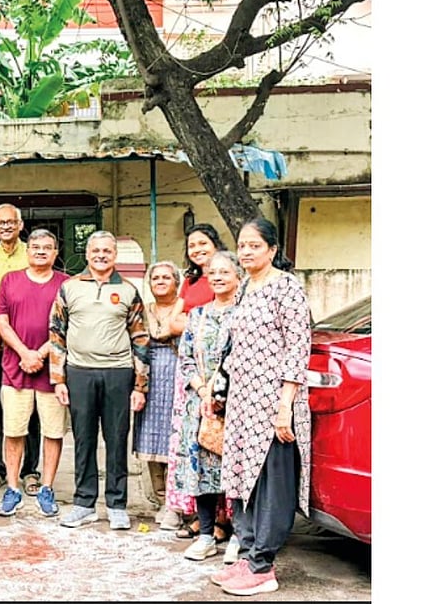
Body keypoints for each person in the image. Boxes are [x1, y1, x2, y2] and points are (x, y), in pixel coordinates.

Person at [209, 218, 313, 597]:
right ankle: (248, 552)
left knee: (270, 483)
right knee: (240, 478)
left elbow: (298, 349)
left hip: (273, 402)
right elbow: (233, 347)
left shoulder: (287, 287)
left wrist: (285, 407)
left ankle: (263, 566)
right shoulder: (244, 288)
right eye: (242, 245)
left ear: (272, 249)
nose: (247, 251)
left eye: (255, 245)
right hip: (242, 403)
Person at [49, 230, 152, 531]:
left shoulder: (129, 291)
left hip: (118, 372)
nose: (101, 255)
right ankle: (84, 504)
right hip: (79, 371)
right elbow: (56, 333)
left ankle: (117, 505)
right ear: (87, 253)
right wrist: (58, 379)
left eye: (107, 251)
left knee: (117, 439)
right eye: (96, 250)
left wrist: (140, 385)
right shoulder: (70, 288)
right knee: (83, 439)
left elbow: (140, 338)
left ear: (115, 255)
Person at [0, 229, 71, 518]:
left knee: (53, 431)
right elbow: (2, 322)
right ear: (27, 251)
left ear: (55, 253)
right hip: (15, 369)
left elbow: (68, 325)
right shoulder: (10, 280)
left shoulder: (66, 284)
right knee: (13, 431)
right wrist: (25, 353)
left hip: (53, 373)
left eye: (47, 247)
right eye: (35, 247)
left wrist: (40, 353)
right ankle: (13, 488)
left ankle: (47, 488)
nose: (40, 251)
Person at [172, 250, 241, 562]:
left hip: (237, 403)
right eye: (213, 272)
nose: (217, 277)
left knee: (237, 469)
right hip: (200, 406)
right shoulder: (197, 315)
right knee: (202, 469)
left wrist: (221, 392)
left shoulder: (245, 314)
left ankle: (240, 535)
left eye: (224, 272)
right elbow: (185, 358)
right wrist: (202, 391)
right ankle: (206, 536)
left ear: (238, 275)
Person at [161, 223, 228, 532]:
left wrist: (192, 320)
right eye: (192, 245)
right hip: (191, 376)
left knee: (219, 444)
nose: (197, 249)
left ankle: (225, 518)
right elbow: (171, 323)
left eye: (203, 243)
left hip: (220, 375)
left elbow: (220, 318)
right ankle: (202, 516)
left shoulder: (227, 277)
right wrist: (197, 319)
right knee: (195, 444)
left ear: (216, 245)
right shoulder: (190, 281)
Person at [0, 203, 42, 497]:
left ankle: (30, 471)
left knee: (31, 412)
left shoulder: (31, 252)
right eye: (0, 223)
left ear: (20, 225)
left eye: (10, 222)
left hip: (27, 346)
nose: (5, 226)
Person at [132, 261, 184, 526]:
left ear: (177, 282)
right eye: (156, 278)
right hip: (149, 381)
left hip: (179, 380)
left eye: (166, 277)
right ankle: (161, 498)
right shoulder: (143, 311)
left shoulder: (185, 309)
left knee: (177, 440)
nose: (161, 282)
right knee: (151, 440)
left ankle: (176, 503)